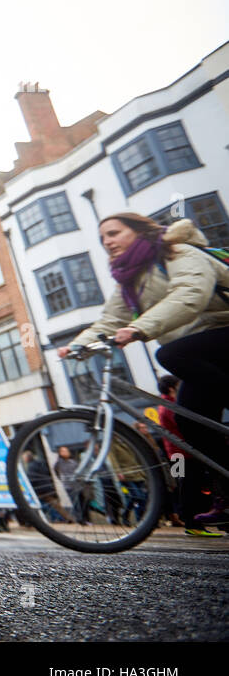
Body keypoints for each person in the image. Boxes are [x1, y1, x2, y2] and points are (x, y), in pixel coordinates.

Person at [59, 213, 229, 535]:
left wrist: (138, 328)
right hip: (197, 350)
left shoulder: (178, 252)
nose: (107, 242)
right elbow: (110, 321)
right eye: (102, 239)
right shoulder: (130, 281)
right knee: (190, 424)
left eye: (113, 233)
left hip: (222, 334)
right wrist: (76, 346)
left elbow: (190, 295)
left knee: (169, 353)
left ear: (139, 232)